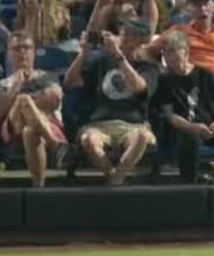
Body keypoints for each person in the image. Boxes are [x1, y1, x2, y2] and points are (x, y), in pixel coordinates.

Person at [64, 18, 161, 186]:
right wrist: (83, 55)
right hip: (99, 124)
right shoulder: (101, 61)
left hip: (133, 124)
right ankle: (116, 179)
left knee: (142, 138)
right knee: (89, 140)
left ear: (141, 40)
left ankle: (114, 181)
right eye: (122, 33)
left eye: (129, 34)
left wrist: (118, 56)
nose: (122, 37)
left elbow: (139, 87)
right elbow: (70, 82)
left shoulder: (148, 67)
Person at [0, 32, 67, 188]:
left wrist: (27, 108)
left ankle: (38, 188)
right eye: (16, 48)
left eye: (26, 47)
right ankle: (56, 146)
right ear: (9, 53)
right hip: (14, 127)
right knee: (23, 100)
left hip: (48, 124)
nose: (22, 52)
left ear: (34, 52)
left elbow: (54, 99)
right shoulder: (0, 84)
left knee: (30, 131)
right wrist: (13, 91)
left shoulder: (48, 77)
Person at [153, 30, 214, 182]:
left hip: (211, 128)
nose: (167, 56)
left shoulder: (205, 74)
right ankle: (191, 183)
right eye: (165, 53)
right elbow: (170, 116)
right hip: (184, 130)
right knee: (189, 139)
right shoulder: (164, 81)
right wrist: (192, 127)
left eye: (172, 51)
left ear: (185, 52)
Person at [150, 0, 214, 75]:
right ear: (188, 10)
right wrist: (159, 68)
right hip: (194, 78)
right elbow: (147, 51)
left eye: (205, 4)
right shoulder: (178, 31)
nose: (202, 8)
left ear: (213, 8)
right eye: (197, 5)